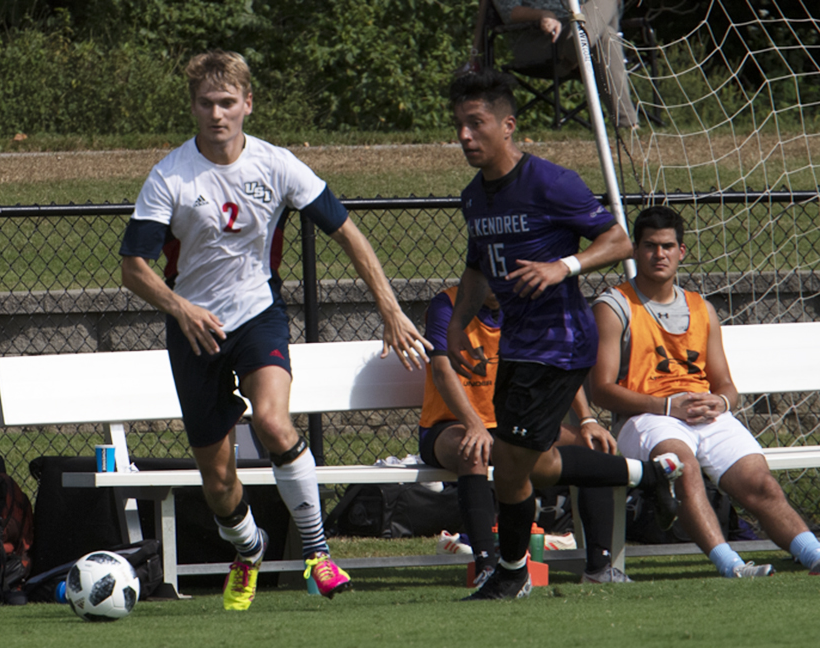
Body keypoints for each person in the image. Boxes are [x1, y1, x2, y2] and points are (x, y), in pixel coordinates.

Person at [119, 49, 431, 610]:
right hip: (194, 330)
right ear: (192, 108)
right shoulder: (169, 176)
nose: (218, 114)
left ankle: (317, 554)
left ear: (248, 105)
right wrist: (181, 308)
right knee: (218, 484)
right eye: (207, 103)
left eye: (228, 103)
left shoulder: (278, 164)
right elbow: (133, 268)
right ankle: (250, 548)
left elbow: (348, 233)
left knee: (271, 421)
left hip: (258, 313)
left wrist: (389, 308)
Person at [444, 69, 681, 601]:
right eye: (459, 125)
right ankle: (644, 475)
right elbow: (478, 267)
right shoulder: (473, 197)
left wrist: (563, 266)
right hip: (518, 346)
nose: (464, 136)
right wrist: (459, 323)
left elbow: (619, 240)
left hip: (559, 344)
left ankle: (511, 573)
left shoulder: (550, 181)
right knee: (536, 462)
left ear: (507, 125)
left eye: (475, 123)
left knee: (506, 462)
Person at [590, 206, 820, 578]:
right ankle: (732, 566)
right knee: (684, 466)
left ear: (682, 251)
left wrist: (721, 401)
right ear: (635, 249)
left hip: (705, 415)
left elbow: (727, 386)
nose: (659, 254)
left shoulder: (702, 308)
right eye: (650, 246)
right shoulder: (613, 306)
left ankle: (814, 555)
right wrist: (667, 405)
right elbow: (601, 390)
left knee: (758, 482)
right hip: (647, 418)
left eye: (667, 246)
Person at [419, 284, 631, 584]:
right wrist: (475, 424)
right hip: (450, 425)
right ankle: (487, 567)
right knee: (474, 450)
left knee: (591, 445)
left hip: (512, 424)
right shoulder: (447, 304)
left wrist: (586, 420)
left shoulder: (529, 306)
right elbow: (442, 370)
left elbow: (562, 362)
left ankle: (599, 568)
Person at [463, 0, 638, 128]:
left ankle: (575, 47)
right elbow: (509, 12)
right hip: (538, 37)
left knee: (606, 32)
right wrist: (543, 14)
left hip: (580, 29)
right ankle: (627, 124)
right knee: (605, 35)